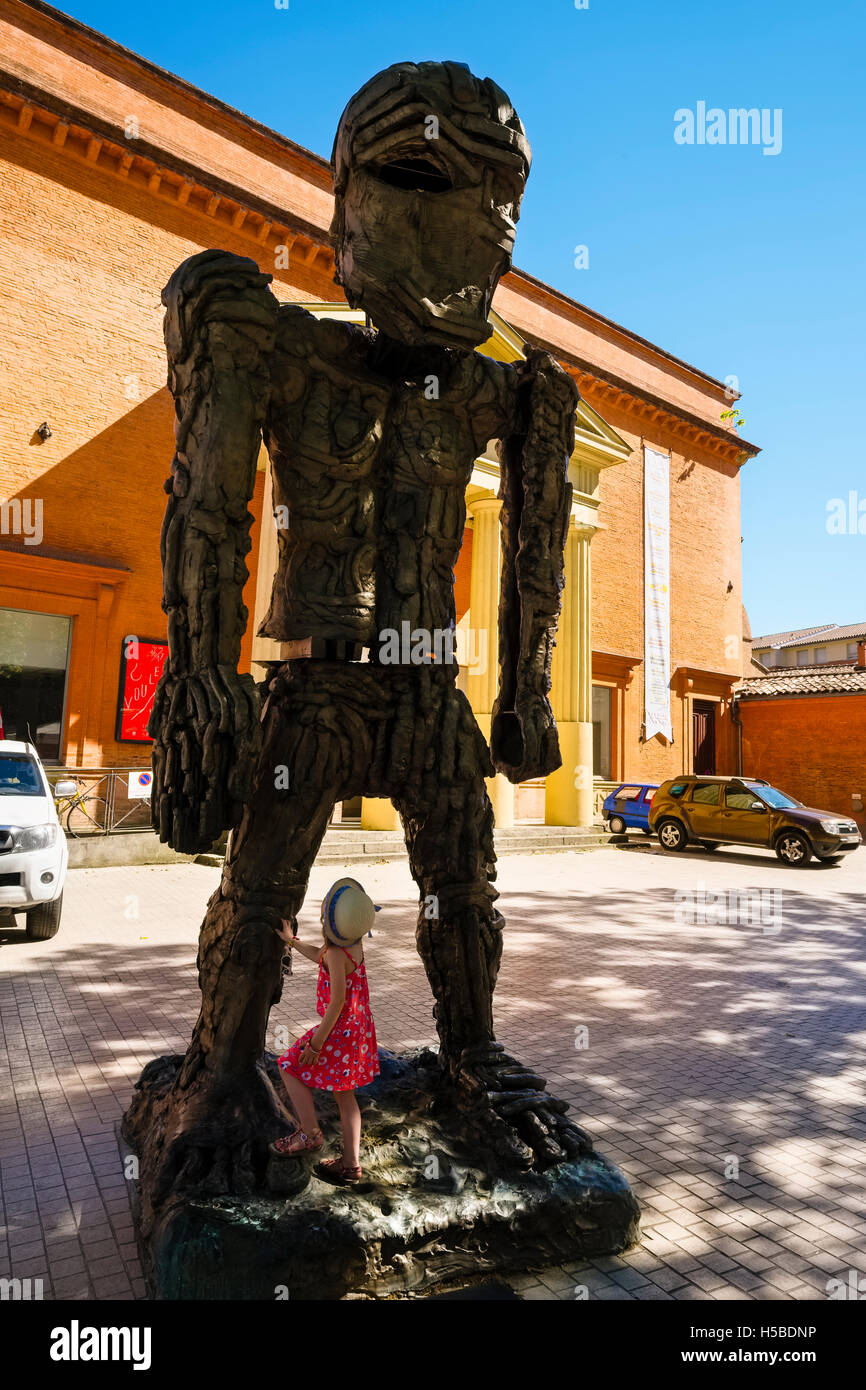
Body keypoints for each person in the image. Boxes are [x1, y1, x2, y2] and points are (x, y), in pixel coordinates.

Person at [271, 878, 380, 1184]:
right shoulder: (352, 945)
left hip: (339, 1030)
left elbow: (337, 1003)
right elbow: (319, 953)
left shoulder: (335, 954)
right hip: (358, 1029)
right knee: (346, 1097)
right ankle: (350, 1165)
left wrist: (316, 1045)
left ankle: (308, 1133)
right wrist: (291, 941)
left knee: (289, 1065)